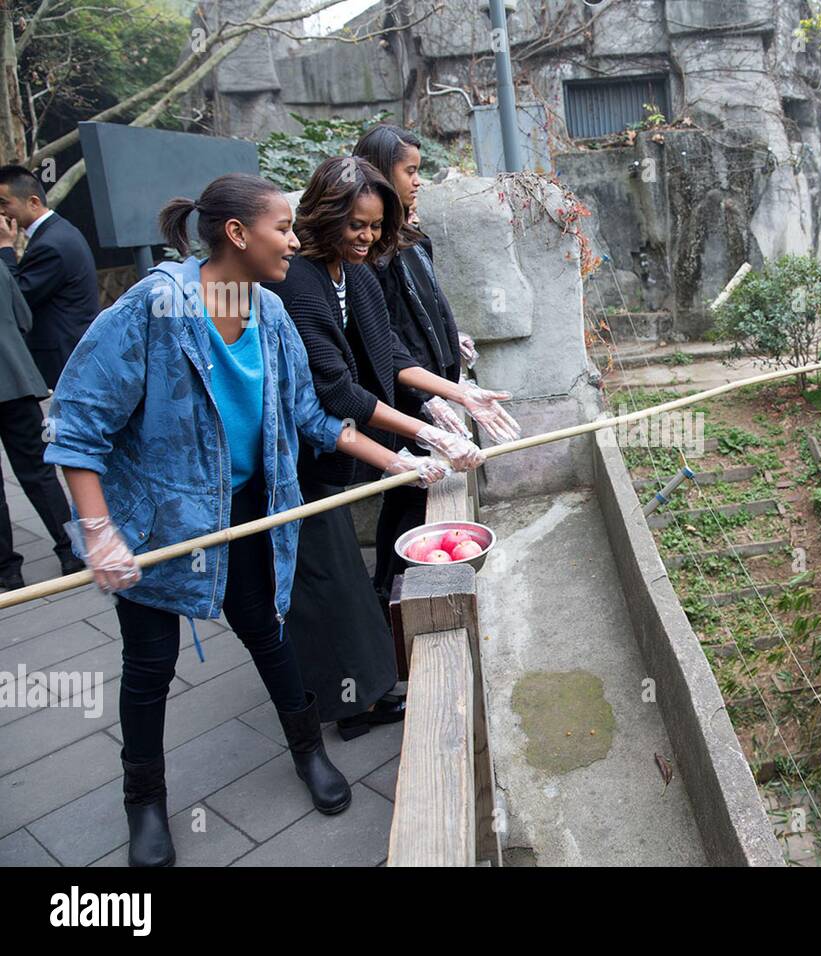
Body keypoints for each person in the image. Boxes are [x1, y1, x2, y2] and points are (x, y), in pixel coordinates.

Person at [43, 173, 444, 867]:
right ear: (237, 233)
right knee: (149, 666)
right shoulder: (156, 307)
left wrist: (402, 460)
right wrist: (99, 533)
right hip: (154, 523)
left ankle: (308, 753)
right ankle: (144, 802)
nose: (294, 240)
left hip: (243, 513)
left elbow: (313, 417)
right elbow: (77, 425)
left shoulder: (272, 313)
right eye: (281, 228)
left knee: (269, 632)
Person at [266, 156, 502, 739]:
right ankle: (342, 704)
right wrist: (423, 435)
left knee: (337, 578)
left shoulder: (360, 274)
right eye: (356, 225)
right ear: (325, 217)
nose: (368, 237)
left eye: (375, 226)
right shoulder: (300, 284)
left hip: (333, 442)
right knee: (321, 582)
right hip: (291, 456)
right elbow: (336, 388)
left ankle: (358, 697)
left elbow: (390, 356)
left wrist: (460, 395)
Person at [352, 124, 519, 609]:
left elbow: (425, 309)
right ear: (381, 175)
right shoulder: (370, 253)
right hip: (406, 402)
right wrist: (428, 397)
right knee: (407, 498)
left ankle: (397, 590)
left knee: (420, 499)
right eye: (410, 171)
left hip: (433, 388)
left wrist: (454, 342)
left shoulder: (409, 237)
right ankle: (392, 593)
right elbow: (379, 343)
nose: (418, 181)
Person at [0, 258, 83, 588]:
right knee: (38, 470)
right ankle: (70, 551)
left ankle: (7, 571)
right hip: (14, 377)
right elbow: (24, 318)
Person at [0, 165, 100, 390]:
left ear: (33, 202)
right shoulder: (57, 233)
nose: (1, 212)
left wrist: (5, 247)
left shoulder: (51, 245)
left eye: (4, 203)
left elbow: (15, 299)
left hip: (62, 360)